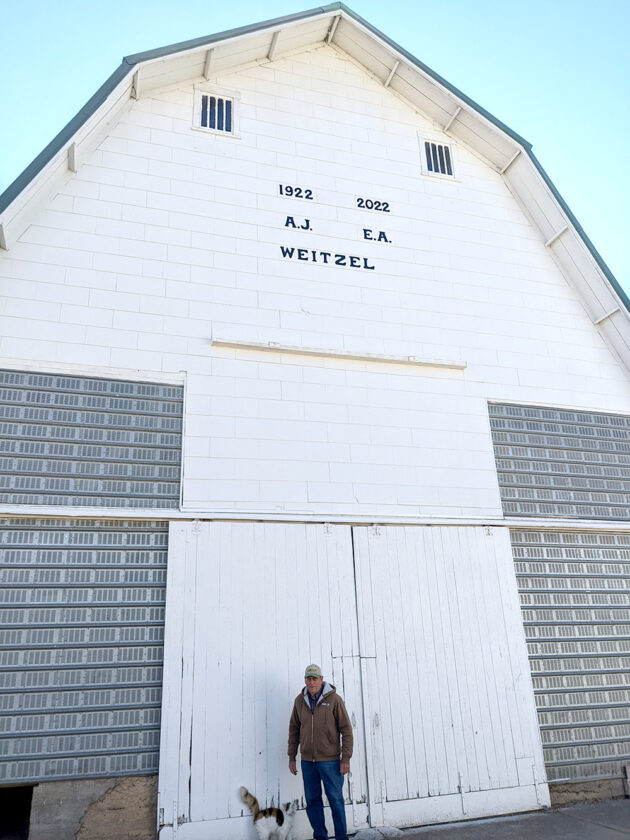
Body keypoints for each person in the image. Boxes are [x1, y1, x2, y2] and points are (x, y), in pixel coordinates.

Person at [288, 664, 353, 840]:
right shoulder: (299, 701)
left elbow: (346, 730)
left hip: (330, 761)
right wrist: (292, 756)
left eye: (314, 679)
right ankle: (320, 837)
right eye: (308, 679)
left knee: (336, 800)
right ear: (305, 680)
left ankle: (341, 837)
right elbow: (294, 730)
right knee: (312, 802)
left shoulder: (334, 700)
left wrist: (345, 758)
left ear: (321, 679)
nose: (311, 682)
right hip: (308, 762)